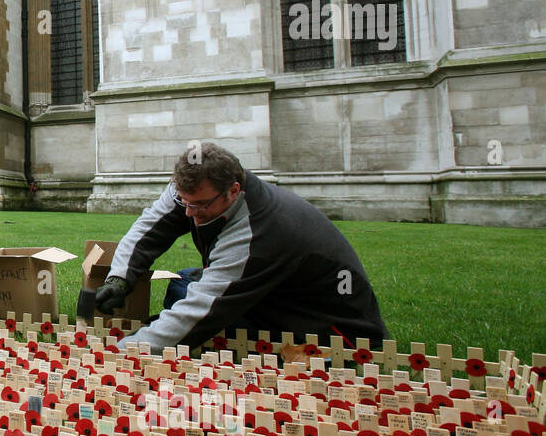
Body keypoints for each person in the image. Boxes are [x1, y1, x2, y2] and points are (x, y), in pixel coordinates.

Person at [89, 142, 388, 352]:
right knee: (182, 283)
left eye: (200, 206)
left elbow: (202, 311)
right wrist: (120, 277)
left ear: (233, 191)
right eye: (184, 202)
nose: (189, 213)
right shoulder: (194, 191)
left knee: (196, 313)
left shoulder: (258, 232)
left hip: (326, 325)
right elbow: (148, 229)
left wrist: (123, 352)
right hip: (270, 292)